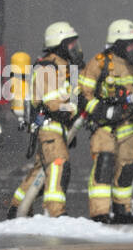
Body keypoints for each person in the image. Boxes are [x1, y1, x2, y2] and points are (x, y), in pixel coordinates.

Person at [79, 19, 133, 224]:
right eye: (129, 43)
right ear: (116, 44)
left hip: (128, 126)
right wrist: (103, 111)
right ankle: (100, 213)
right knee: (104, 165)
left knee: (126, 169)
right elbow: (82, 94)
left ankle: (122, 210)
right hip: (104, 127)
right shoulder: (100, 63)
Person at [7, 21, 84, 218]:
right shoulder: (47, 68)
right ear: (59, 45)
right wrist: (74, 108)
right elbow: (53, 103)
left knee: (40, 171)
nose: (76, 48)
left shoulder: (63, 68)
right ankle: (55, 213)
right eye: (71, 44)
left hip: (54, 128)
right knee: (59, 165)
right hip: (50, 127)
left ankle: (17, 207)